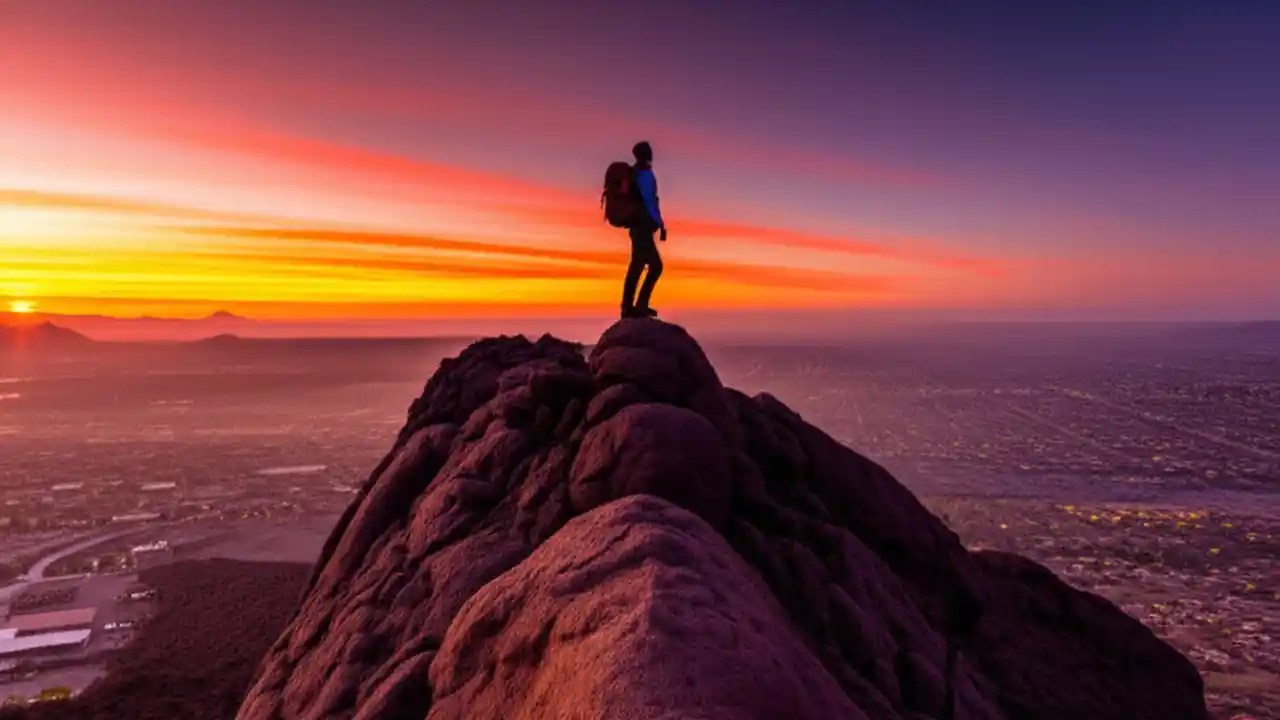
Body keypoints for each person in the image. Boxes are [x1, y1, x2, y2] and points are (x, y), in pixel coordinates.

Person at [621, 141, 667, 318]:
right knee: (655, 266)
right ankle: (636, 306)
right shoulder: (644, 174)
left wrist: (659, 223)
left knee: (638, 265)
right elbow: (650, 202)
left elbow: (650, 201)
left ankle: (632, 306)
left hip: (638, 227)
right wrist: (660, 224)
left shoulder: (635, 173)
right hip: (642, 228)